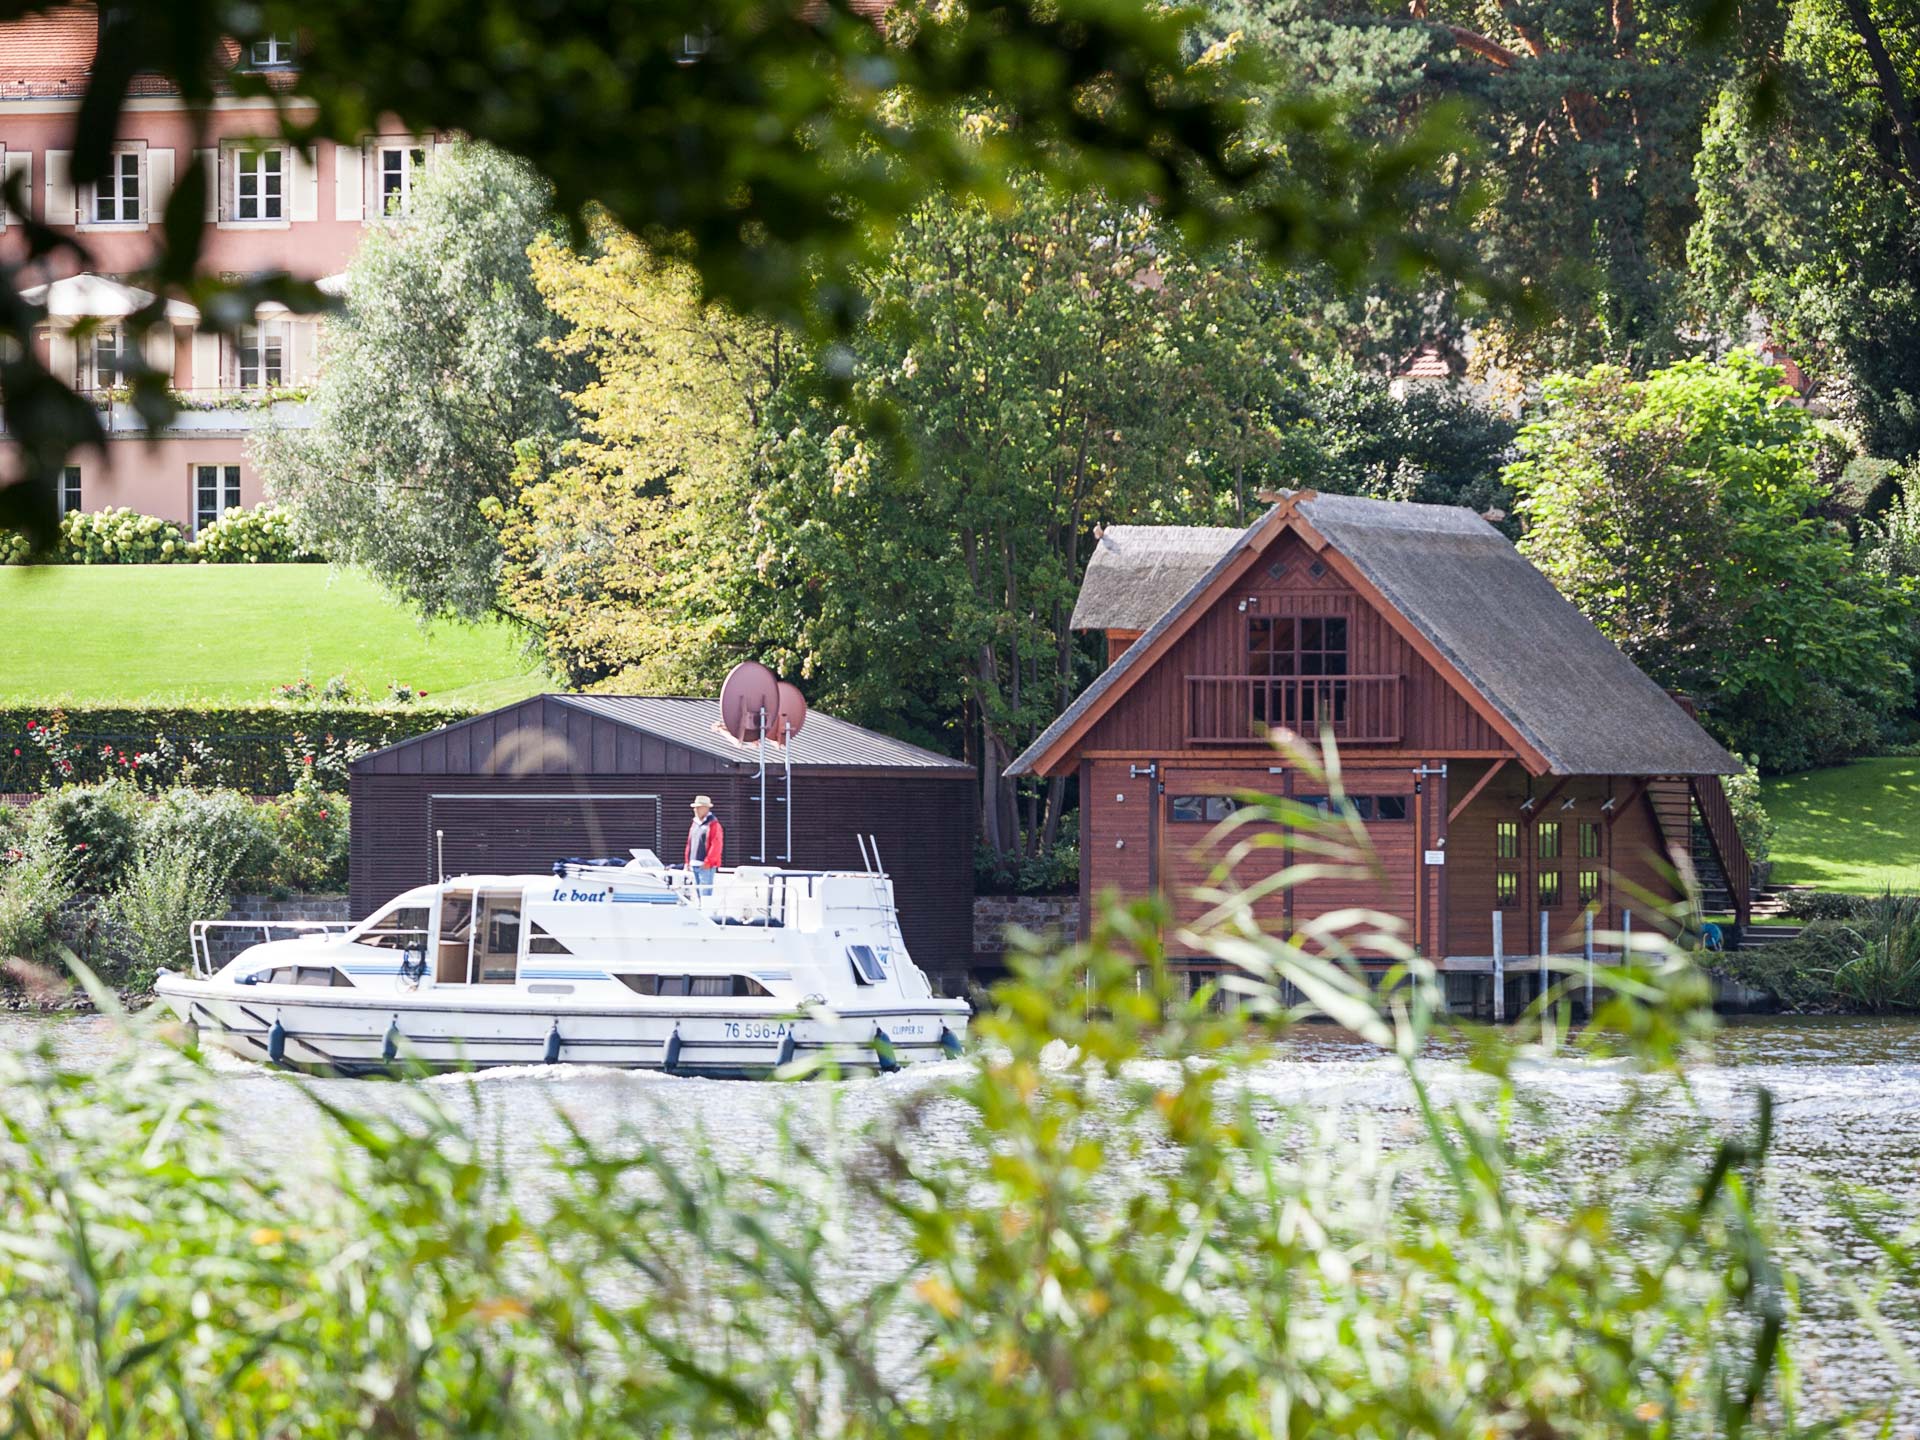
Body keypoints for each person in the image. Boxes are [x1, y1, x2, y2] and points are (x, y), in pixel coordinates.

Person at [684, 795, 724, 896]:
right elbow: (690, 843)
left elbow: (716, 845)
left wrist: (708, 862)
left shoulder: (713, 824)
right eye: (695, 808)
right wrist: (687, 861)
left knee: (705, 893)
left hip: (705, 866)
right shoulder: (695, 824)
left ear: (706, 808)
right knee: (696, 894)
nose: (695, 810)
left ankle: (705, 911)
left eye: (698, 807)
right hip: (694, 864)